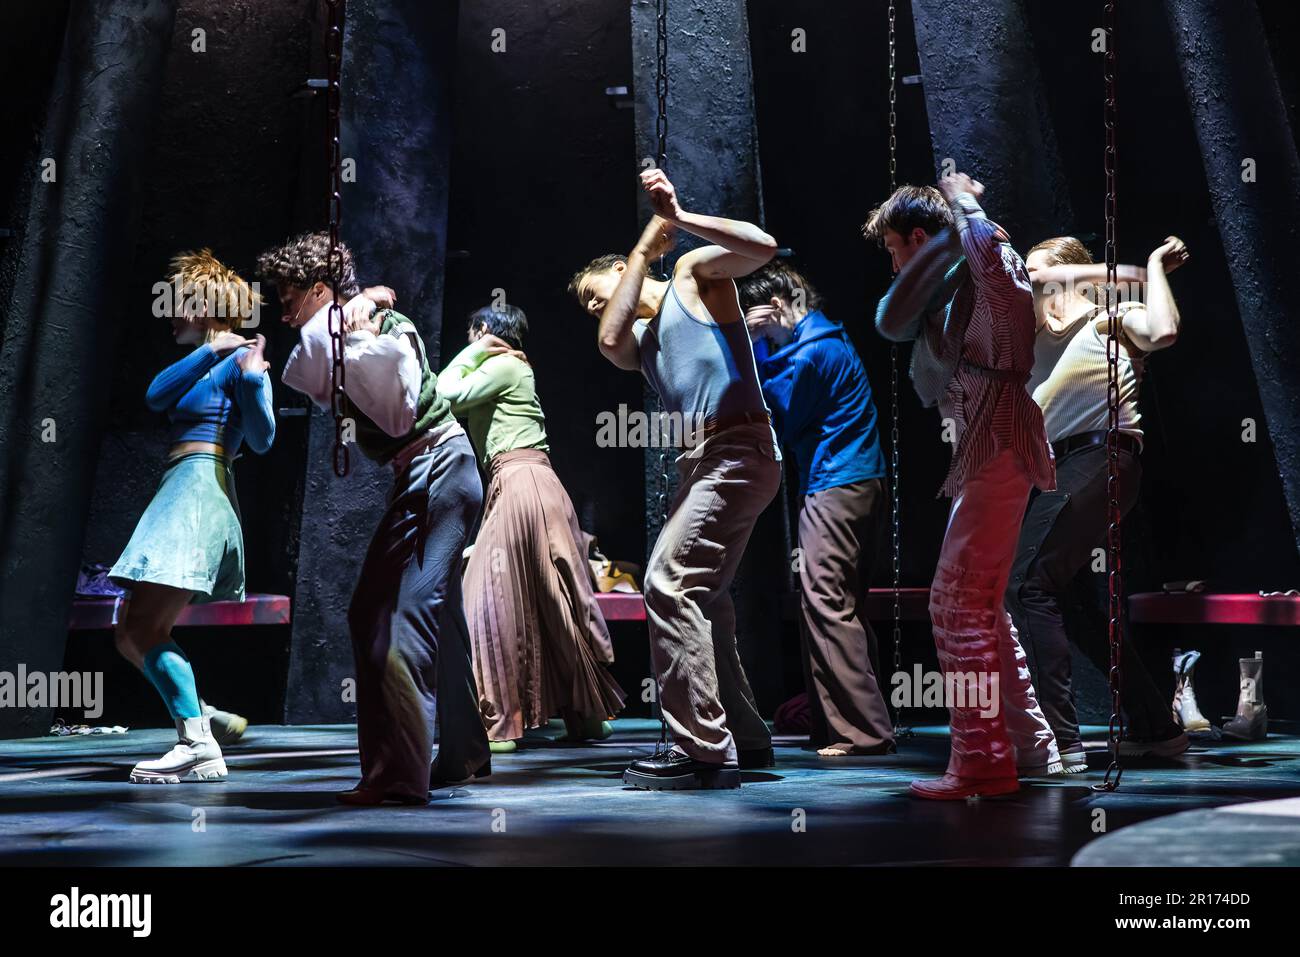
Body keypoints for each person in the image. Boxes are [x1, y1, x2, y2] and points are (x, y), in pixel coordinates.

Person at [260, 231, 489, 805]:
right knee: (421, 618)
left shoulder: (380, 327)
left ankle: (398, 779)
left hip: (439, 467)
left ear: (319, 290)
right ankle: (462, 751)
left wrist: (367, 310)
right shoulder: (355, 325)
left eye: (290, 300)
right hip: (428, 473)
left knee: (395, 620)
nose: (285, 315)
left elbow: (398, 410)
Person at [568, 168, 778, 790]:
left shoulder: (692, 279)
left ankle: (704, 754)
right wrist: (639, 248)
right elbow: (609, 340)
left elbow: (761, 247)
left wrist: (677, 221)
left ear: (635, 273)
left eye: (592, 289)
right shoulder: (640, 335)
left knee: (667, 582)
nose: (590, 303)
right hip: (706, 461)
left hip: (737, 447)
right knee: (705, 602)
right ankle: (743, 737)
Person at [869, 176, 1062, 799]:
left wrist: (968, 203)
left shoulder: (986, 253)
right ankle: (1029, 749)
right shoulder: (957, 280)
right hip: (988, 435)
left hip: (995, 432)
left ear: (919, 240)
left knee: (955, 604)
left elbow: (1000, 280)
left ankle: (982, 760)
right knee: (980, 603)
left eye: (897, 251)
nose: (895, 267)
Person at [1008, 234, 1191, 768]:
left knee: (1026, 584)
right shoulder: (1036, 345)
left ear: (1073, 276)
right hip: (1061, 468)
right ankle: (1157, 727)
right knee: (1073, 603)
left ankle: (1060, 741)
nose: (1029, 281)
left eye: (1040, 272)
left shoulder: (1110, 320)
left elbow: (1164, 330)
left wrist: (1152, 265)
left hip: (1102, 456)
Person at [111, 250, 274, 784]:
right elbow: (156, 396)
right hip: (178, 488)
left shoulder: (242, 360)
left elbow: (264, 439)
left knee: (142, 626)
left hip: (201, 490)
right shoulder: (211, 358)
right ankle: (201, 717)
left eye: (181, 303)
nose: (172, 313)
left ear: (205, 305)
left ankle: (198, 744)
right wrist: (213, 350)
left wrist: (250, 379)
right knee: (128, 634)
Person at [436, 303, 625, 753]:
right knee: (549, 597)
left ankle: (498, 722)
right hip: (525, 483)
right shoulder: (513, 367)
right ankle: (588, 716)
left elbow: (442, 394)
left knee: (484, 596)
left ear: (483, 331)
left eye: (474, 333)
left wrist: (475, 350)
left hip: (522, 483)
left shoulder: (502, 364)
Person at [737, 263, 893, 757]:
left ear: (779, 305)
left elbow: (772, 409)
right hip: (853, 484)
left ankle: (863, 733)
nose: (752, 327)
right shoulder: (825, 341)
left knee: (826, 602)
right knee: (834, 603)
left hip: (838, 486)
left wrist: (745, 345)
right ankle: (838, 727)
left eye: (754, 317)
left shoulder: (813, 352)